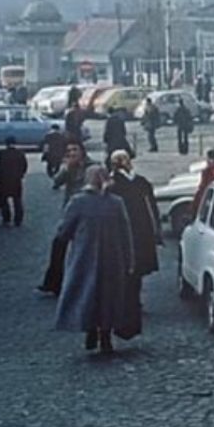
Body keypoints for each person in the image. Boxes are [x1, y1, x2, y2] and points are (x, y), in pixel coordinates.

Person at [54, 165, 134, 355]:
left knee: (87, 293)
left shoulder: (78, 202)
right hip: (112, 258)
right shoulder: (116, 202)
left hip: (84, 257)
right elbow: (126, 233)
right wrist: (129, 259)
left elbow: (64, 230)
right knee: (109, 297)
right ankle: (105, 335)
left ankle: (90, 329)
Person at [107, 149, 161, 336]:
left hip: (139, 233)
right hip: (130, 233)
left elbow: (151, 207)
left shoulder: (139, 181)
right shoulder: (116, 183)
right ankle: (129, 303)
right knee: (130, 270)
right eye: (120, 160)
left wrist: (155, 230)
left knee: (135, 270)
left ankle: (133, 300)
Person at [38, 139, 94, 295]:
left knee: (83, 250)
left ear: (82, 151)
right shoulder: (69, 168)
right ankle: (53, 282)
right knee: (58, 243)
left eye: (75, 150)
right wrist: (66, 168)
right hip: (70, 213)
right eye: (69, 152)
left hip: (87, 214)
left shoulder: (92, 167)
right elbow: (56, 182)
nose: (72, 154)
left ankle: (83, 283)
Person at [0, 135, 28, 227]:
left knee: (4, 201)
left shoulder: (2, 154)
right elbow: (24, 166)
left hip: (4, 181)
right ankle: (18, 220)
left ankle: (6, 218)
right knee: (17, 200)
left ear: (6, 144)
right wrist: (21, 175)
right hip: (16, 180)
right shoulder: (20, 153)